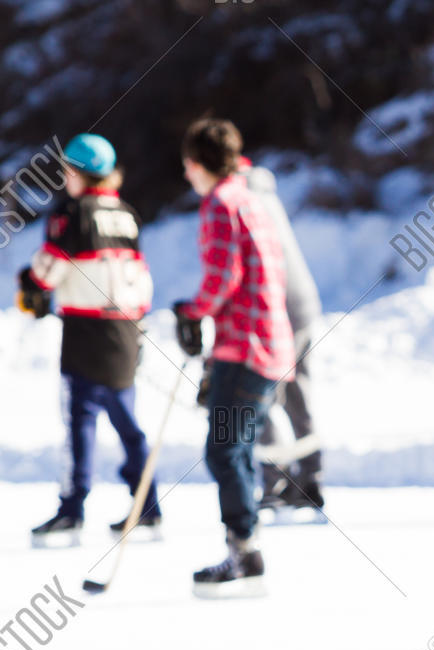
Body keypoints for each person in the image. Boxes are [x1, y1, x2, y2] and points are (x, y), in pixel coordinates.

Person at [174, 118, 295, 596]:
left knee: (225, 449)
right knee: (237, 447)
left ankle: (243, 550)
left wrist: (191, 310)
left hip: (245, 348)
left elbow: (224, 275)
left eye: (187, 165)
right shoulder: (251, 199)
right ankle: (247, 548)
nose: (186, 174)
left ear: (196, 163)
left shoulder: (221, 203)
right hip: (265, 342)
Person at [19, 133, 156, 547]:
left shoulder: (71, 213)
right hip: (125, 328)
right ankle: (147, 504)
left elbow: (49, 269)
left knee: (80, 420)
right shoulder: (126, 213)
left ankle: (72, 507)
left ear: (77, 173)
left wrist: (28, 282)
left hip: (84, 331)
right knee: (126, 419)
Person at [243, 156, 325, 508]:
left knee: (260, 395)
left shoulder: (240, 199)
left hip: (279, 309)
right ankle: (311, 477)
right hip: (303, 303)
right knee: (296, 392)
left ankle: (277, 481)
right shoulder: (265, 193)